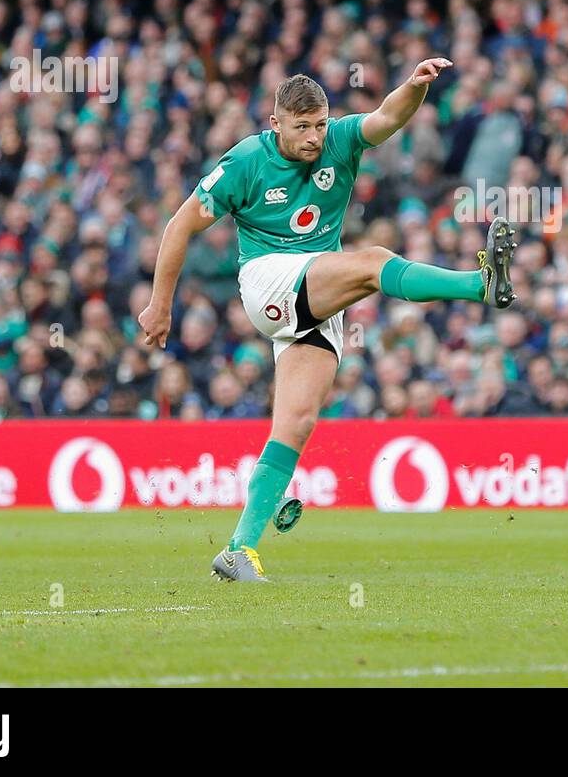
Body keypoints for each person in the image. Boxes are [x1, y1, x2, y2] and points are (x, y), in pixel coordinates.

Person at [137, 59, 518, 582]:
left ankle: (236, 550)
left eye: (319, 124)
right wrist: (161, 304)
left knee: (296, 422)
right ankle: (478, 285)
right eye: (302, 128)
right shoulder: (246, 160)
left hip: (316, 295)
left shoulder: (339, 140)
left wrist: (413, 87)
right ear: (276, 124)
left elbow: (386, 118)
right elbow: (179, 227)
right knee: (372, 262)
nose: (315, 137)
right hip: (269, 281)